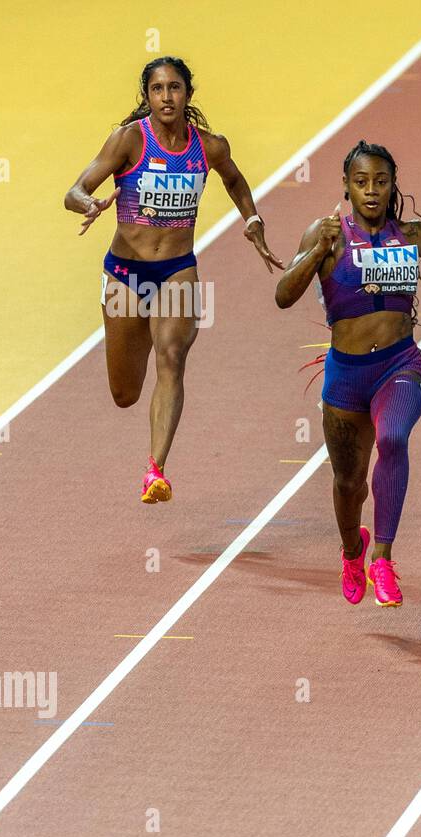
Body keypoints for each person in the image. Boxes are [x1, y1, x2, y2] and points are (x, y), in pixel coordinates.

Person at [275, 141, 421, 606]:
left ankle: (383, 558)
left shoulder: (413, 234)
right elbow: (283, 294)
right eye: (361, 182)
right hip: (344, 376)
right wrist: (316, 253)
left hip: (399, 364)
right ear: (346, 187)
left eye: (380, 181)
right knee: (347, 483)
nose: (372, 191)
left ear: (393, 185)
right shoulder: (326, 234)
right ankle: (352, 552)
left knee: (393, 437)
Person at [65, 56, 282, 503]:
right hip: (126, 275)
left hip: (176, 271)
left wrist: (253, 219)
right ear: (147, 96)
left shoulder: (210, 146)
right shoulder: (128, 140)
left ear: (188, 94)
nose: (167, 97)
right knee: (124, 393)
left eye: (175, 88)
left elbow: (236, 181)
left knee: (172, 355)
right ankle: (139, 340)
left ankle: (155, 470)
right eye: (158, 89)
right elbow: (75, 189)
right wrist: (87, 203)